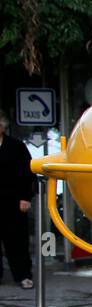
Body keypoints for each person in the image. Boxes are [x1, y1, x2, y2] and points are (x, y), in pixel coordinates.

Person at [0, 112, 36, 290]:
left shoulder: (16, 146)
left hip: (13, 201)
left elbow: (27, 173)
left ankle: (23, 275)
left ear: (2, 127)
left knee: (17, 240)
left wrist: (25, 197)